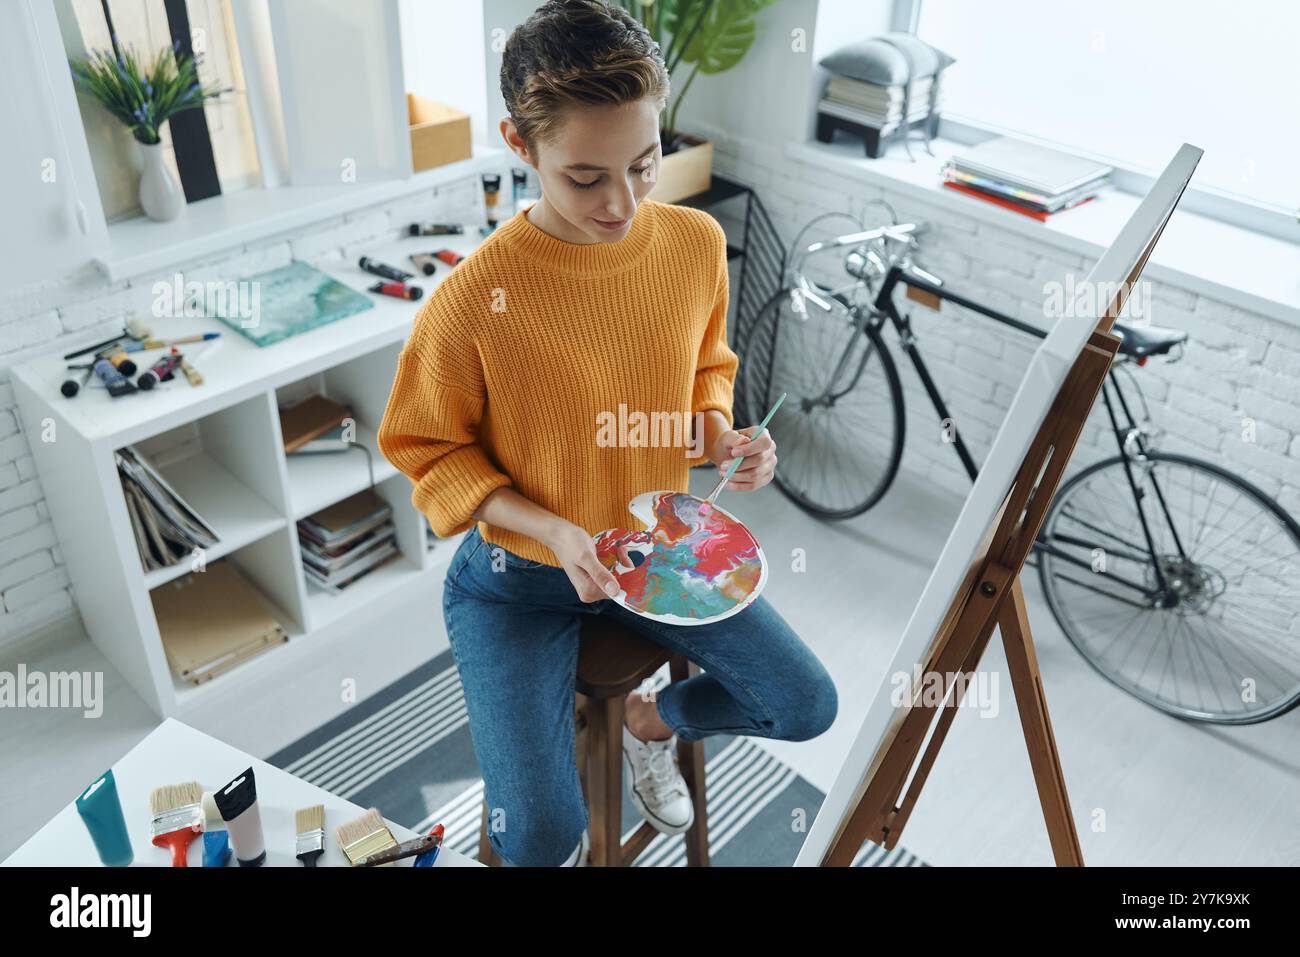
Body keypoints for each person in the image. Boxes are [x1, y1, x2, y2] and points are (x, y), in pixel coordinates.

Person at [377, 0, 836, 867]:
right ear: (521, 145)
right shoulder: (476, 300)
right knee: (544, 837)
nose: (621, 202)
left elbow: (705, 367)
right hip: (518, 580)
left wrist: (722, 436)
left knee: (805, 704)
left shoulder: (695, 242)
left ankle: (648, 722)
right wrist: (554, 528)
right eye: (586, 177)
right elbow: (427, 447)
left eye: (644, 162)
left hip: (655, 554)